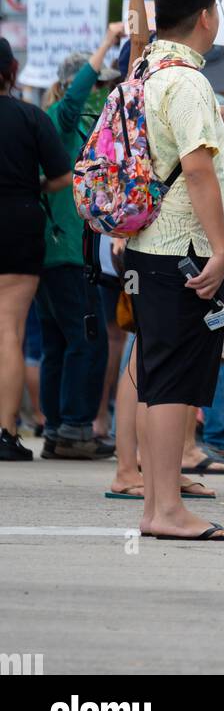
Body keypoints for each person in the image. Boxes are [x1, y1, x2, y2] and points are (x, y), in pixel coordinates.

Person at [124, 0, 224, 541]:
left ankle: (156, 506)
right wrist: (220, 249)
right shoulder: (188, 82)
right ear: (205, 17)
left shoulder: (145, 69)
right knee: (172, 382)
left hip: (147, 248)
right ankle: (168, 509)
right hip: (186, 252)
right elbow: (196, 167)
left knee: (154, 378)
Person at [37, 26, 124, 458]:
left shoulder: (58, 124)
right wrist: (107, 42)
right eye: (100, 85)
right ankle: (74, 427)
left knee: (58, 342)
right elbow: (75, 101)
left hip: (58, 250)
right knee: (86, 339)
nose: (103, 92)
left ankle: (56, 428)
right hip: (66, 250)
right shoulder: (61, 118)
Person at [0, 38, 72, 461]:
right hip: (20, 222)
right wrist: (34, 188)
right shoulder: (30, 116)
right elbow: (64, 176)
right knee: (9, 329)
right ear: (12, 71)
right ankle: (6, 431)